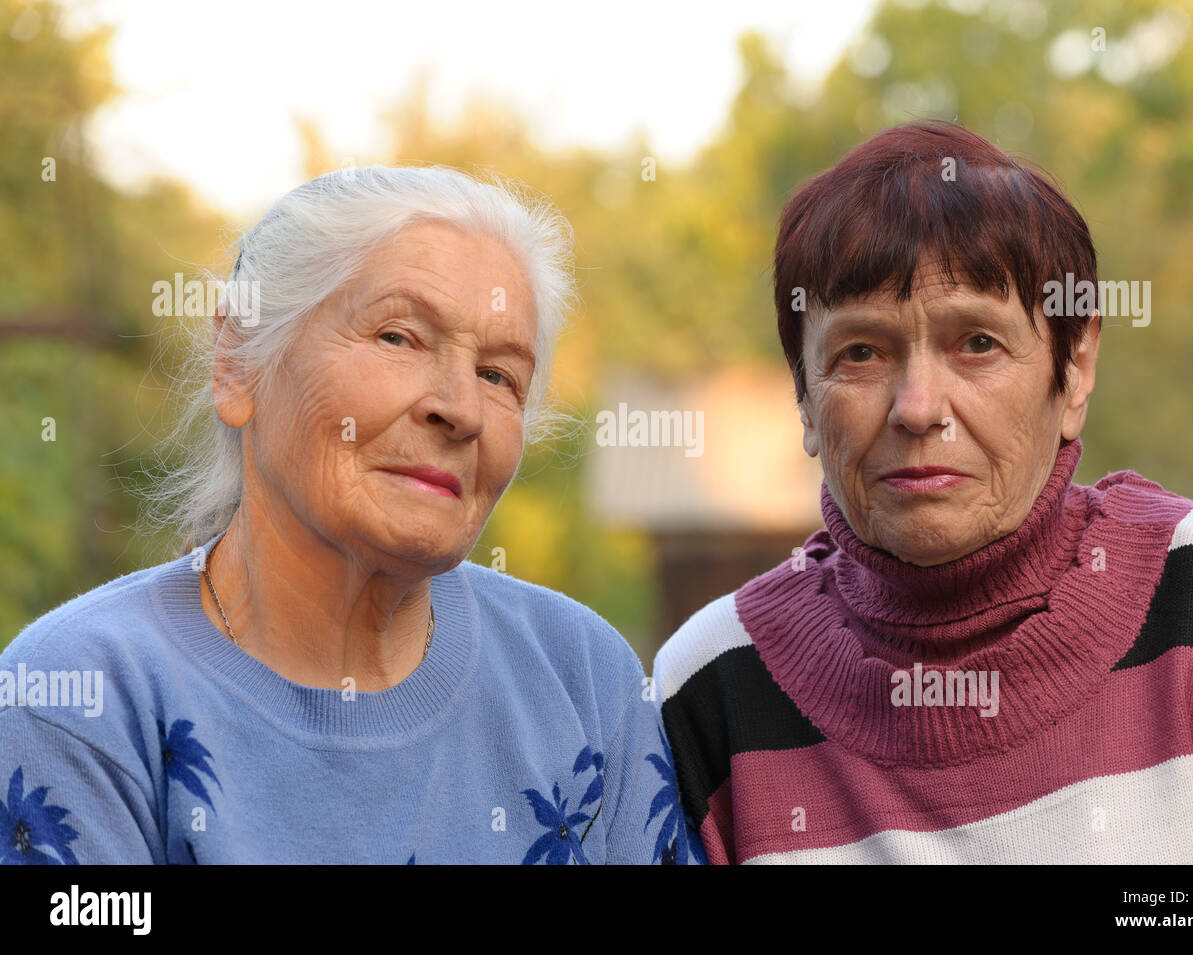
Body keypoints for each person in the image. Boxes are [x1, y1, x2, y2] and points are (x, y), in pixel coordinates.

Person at [0, 165, 701, 865]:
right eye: (399, 337)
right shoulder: (77, 695)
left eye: (498, 375)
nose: (458, 407)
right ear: (238, 362)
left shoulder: (580, 673)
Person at [653, 120, 1193, 864]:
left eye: (978, 343)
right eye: (860, 352)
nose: (918, 407)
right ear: (803, 394)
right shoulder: (711, 687)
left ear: (1075, 366)